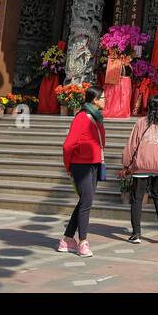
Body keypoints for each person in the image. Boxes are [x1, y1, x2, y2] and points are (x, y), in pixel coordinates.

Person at [121, 95, 158, 244]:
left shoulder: (140, 123)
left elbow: (131, 145)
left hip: (142, 166)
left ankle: (136, 234)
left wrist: (126, 164)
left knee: (137, 198)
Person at [59, 86, 106, 258]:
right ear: (94, 100)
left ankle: (66, 239)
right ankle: (83, 242)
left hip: (94, 163)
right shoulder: (82, 118)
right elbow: (68, 145)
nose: (105, 100)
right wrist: (68, 166)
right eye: (103, 97)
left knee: (84, 202)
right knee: (86, 201)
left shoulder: (96, 116)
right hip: (81, 165)